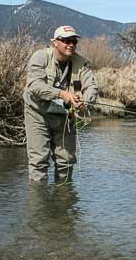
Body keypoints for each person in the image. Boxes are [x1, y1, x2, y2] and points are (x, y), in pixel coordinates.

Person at [23, 25, 99, 183]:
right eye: (66, 41)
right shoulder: (40, 57)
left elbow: (91, 87)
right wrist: (61, 94)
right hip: (38, 113)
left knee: (66, 162)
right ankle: (39, 202)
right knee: (39, 161)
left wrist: (86, 101)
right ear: (55, 42)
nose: (71, 44)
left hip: (64, 116)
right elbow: (35, 86)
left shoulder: (81, 63)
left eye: (73, 41)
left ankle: (63, 202)